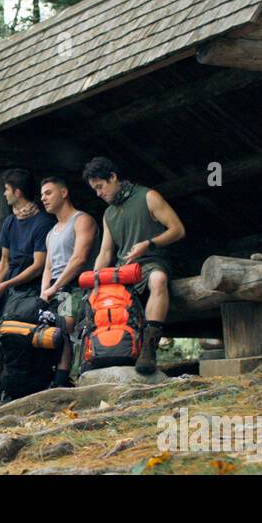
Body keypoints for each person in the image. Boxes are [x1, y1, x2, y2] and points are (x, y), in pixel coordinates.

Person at [84, 156, 186, 374]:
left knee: (158, 280)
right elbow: (106, 252)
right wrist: (95, 279)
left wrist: (149, 244)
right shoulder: (108, 213)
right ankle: (96, 353)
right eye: (94, 189)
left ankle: (149, 350)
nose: (98, 193)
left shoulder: (148, 197)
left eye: (100, 187)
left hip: (151, 262)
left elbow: (177, 229)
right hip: (124, 270)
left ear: (113, 177)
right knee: (99, 297)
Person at [0, 168, 55, 410]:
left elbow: (39, 265)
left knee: (25, 338)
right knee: (5, 338)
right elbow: (4, 260)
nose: (4, 194)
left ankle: (30, 391)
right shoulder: (9, 222)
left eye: (7, 190)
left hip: (34, 288)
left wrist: (6, 284)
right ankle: (4, 391)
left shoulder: (43, 222)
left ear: (17, 192)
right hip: (12, 290)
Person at [38, 176, 97, 387]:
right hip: (56, 288)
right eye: (42, 194)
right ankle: (56, 379)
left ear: (63, 193)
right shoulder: (50, 233)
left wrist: (55, 287)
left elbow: (79, 259)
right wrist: (44, 292)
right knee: (47, 327)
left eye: (48, 193)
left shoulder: (82, 220)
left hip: (77, 284)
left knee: (66, 323)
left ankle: (70, 377)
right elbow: (48, 266)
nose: (43, 198)